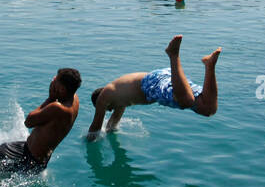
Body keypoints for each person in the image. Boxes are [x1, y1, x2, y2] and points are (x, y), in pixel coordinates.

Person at [86, 35, 220, 138]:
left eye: (107, 110)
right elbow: (112, 124)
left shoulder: (105, 96)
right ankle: (209, 65)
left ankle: (173, 55)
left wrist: (87, 142)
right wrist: (109, 132)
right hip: (162, 78)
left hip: (151, 83)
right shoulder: (119, 99)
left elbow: (95, 128)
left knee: (186, 101)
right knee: (207, 108)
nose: (108, 111)